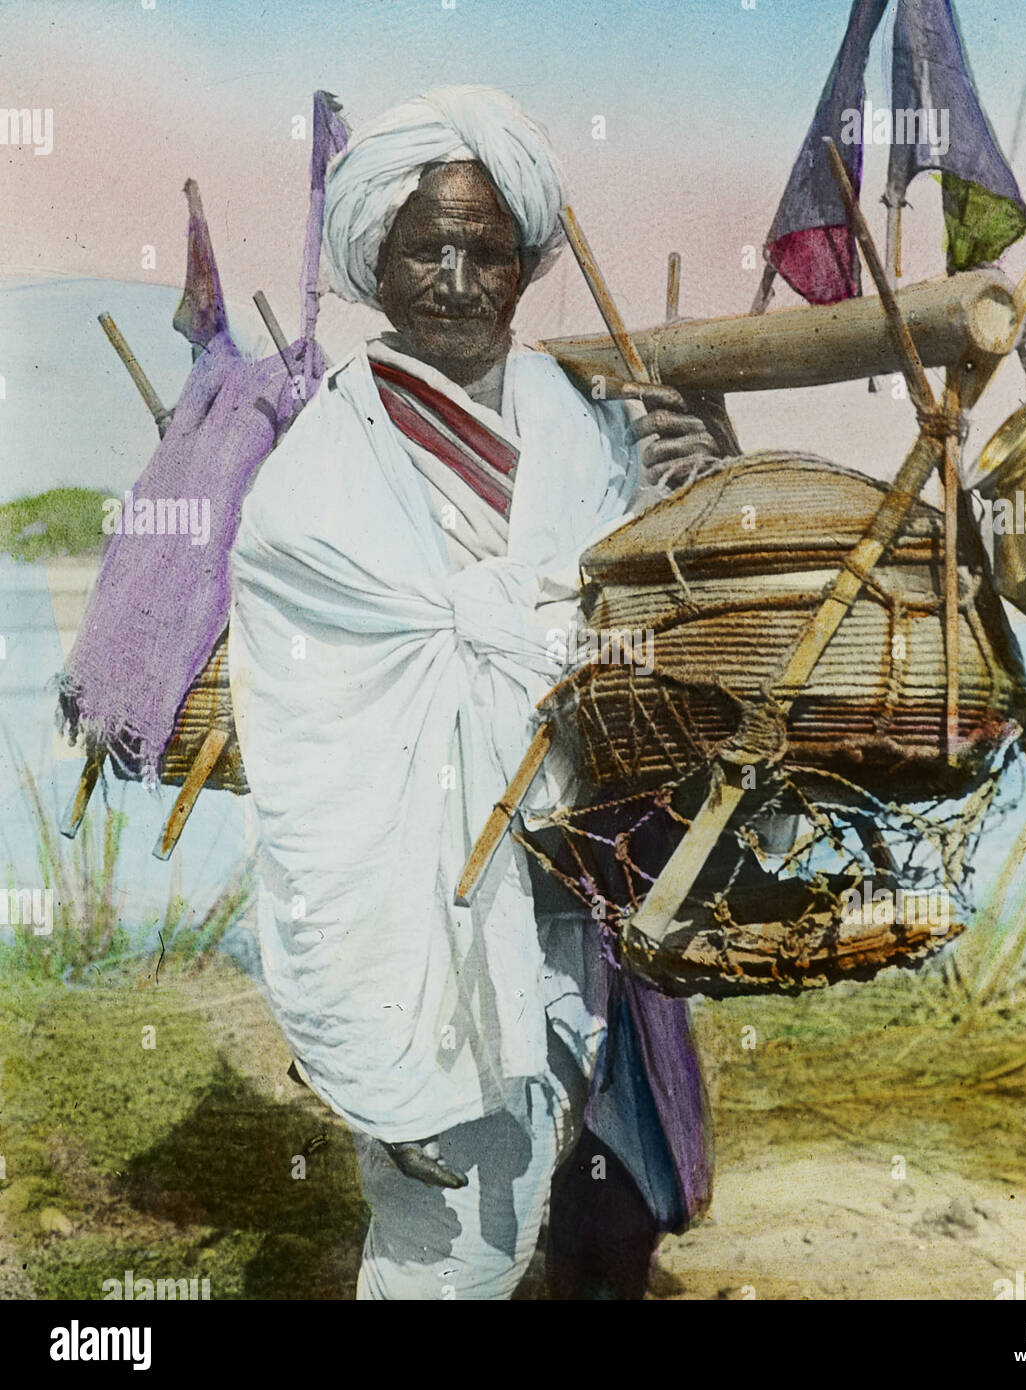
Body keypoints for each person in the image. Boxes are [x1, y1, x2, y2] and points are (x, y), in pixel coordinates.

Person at [227, 85, 719, 1300]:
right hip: (420, 913)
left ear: (525, 264)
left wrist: (697, 491)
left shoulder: (592, 432)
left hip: (576, 892)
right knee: (454, 1238)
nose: (455, 278)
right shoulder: (315, 481)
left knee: (583, 1187)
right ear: (376, 265)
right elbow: (317, 748)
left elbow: (665, 637)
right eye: (424, 247)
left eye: (486, 250)